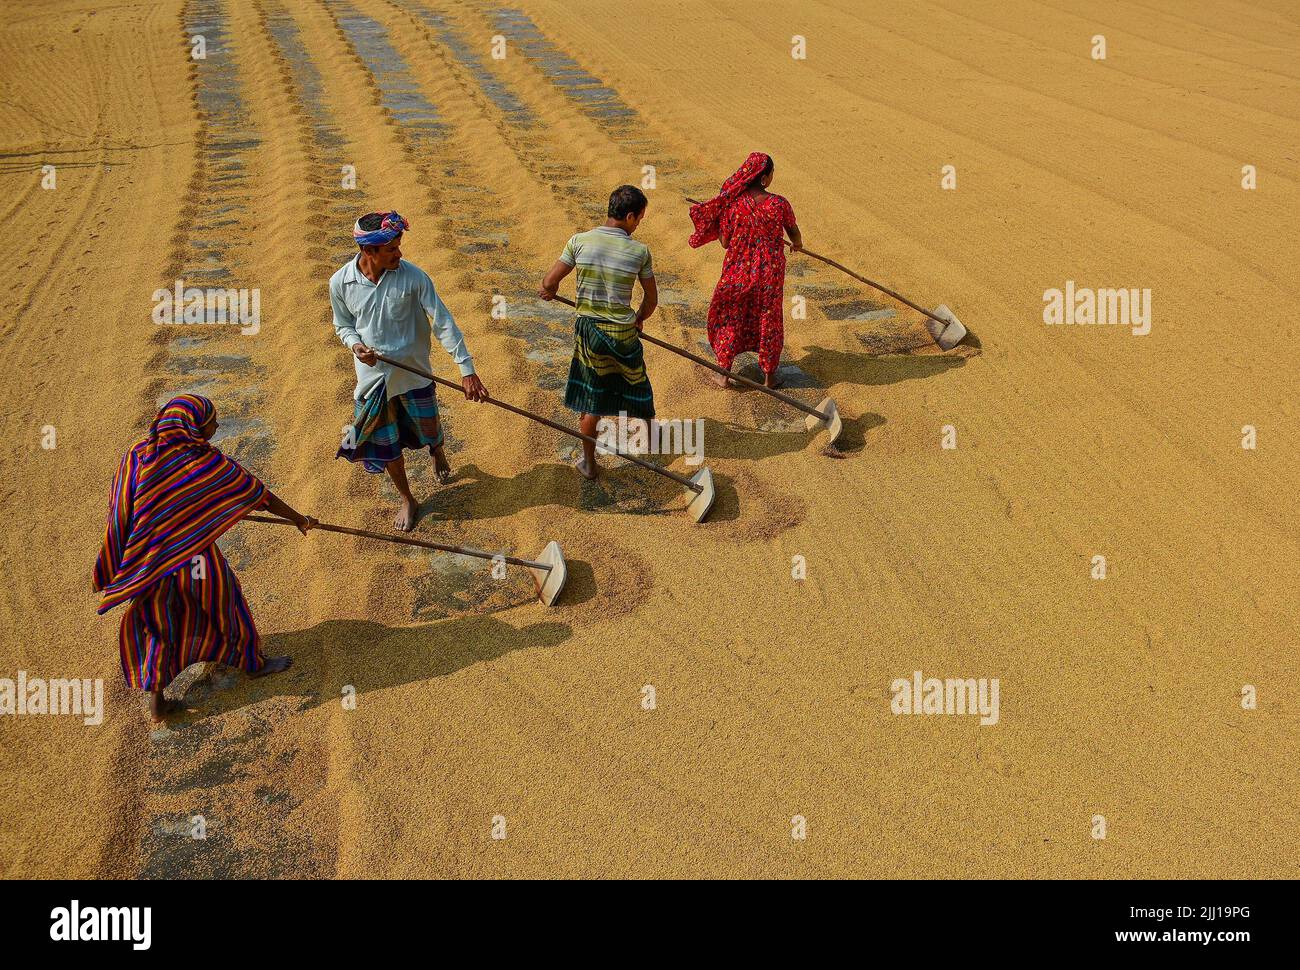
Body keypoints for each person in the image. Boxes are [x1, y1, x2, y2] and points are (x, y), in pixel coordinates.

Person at [93, 395, 315, 723]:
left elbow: (121, 510)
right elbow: (258, 495)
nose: (217, 426)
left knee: (159, 623)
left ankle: (158, 701)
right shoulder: (204, 461)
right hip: (194, 559)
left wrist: (122, 557)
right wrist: (299, 518)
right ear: (193, 426)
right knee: (224, 603)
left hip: (149, 565)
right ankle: (254, 664)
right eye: (211, 422)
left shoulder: (136, 455)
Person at [331, 211, 490, 530]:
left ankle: (437, 449)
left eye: (399, 246)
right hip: (374, 381)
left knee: (429, 427)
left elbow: (443, 322)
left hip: (415, 374)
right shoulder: (340, 282)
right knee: (387, 444)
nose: (399, 254)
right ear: (368, 252)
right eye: (391, 249)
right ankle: (408, 498)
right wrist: (355, 346)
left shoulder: (415, 278)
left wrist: (467, 370)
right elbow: (343, 324)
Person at [538, 185, 657, 479]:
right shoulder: (639, 251)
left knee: (593, 401)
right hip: (623, 334)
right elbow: (651, 299)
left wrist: (549, 292)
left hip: (590, 333)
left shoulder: (579, 242)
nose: (638, 225)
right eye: (639, 219)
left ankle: (589, 463)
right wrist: (638, 319)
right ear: (630, 216)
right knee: (638, 388)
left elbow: (549, 282)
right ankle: (654, 446)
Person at [688, 152, 802, 389]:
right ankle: (770, 377)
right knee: (768, 318)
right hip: (769, 273)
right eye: (771, 173)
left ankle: (724, 374)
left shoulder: (734, 205)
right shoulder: (779, 204)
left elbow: (725, 242)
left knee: (731, 315)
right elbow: (794, 232)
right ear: (764, 178)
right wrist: (797, 245)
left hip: (737, 271)